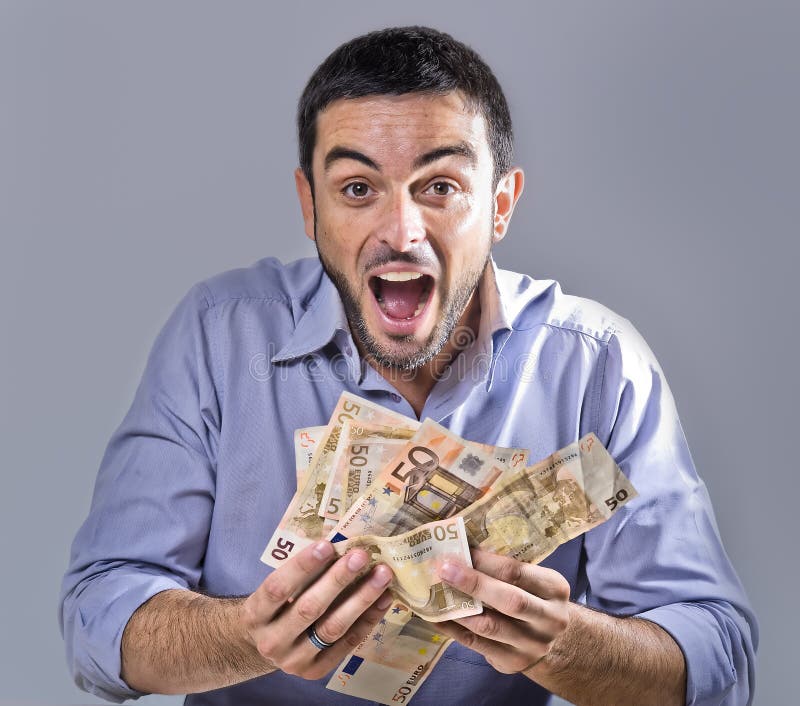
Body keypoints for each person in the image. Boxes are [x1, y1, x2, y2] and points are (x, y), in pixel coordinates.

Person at [60, 26, 757, 706]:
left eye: (441, 187)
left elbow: (715, 655)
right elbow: (99, 615)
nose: (400, 233)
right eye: (358, 189)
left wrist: (564, 644)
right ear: (311, 206)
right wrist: (248, 636)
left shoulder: (599, 365)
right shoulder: (218, 336)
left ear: (501, 204)